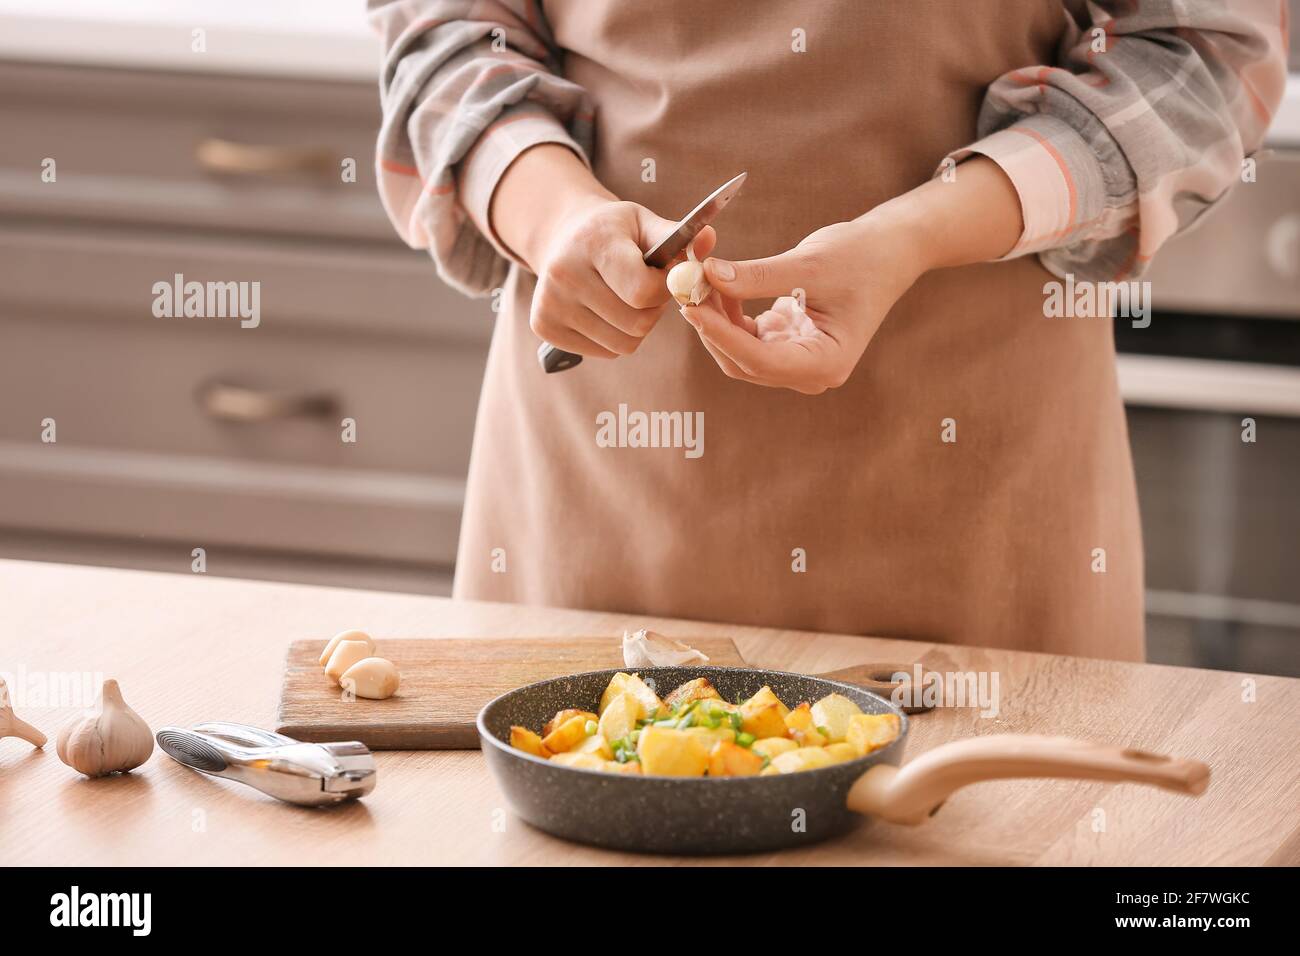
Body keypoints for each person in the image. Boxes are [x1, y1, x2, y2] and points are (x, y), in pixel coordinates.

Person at [367, 0, 1288, 659]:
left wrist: (917, 231)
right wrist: (554, 213)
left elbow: (1202, 55)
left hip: (979, 524)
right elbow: (445, 31)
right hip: (597, 502)